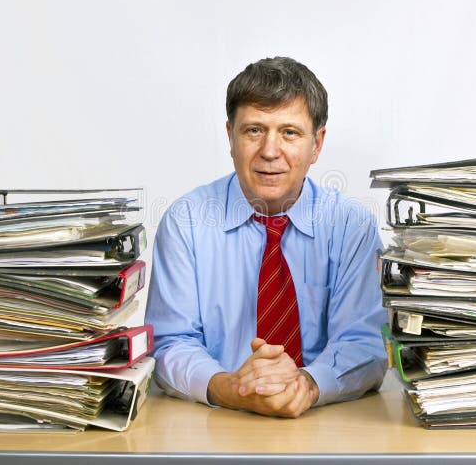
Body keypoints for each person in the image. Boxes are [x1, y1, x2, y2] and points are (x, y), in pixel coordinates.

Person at [146, 56, 387, 418]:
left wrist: (305, 385)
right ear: (230, 137)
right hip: (212, 424)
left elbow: (364, 344)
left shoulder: (352, 227)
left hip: (323, 425)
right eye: (254, 130)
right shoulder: (186, 222)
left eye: (289, 132)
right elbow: (169, 342)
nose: (270, 151)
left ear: (317, 144)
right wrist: (230, 388)